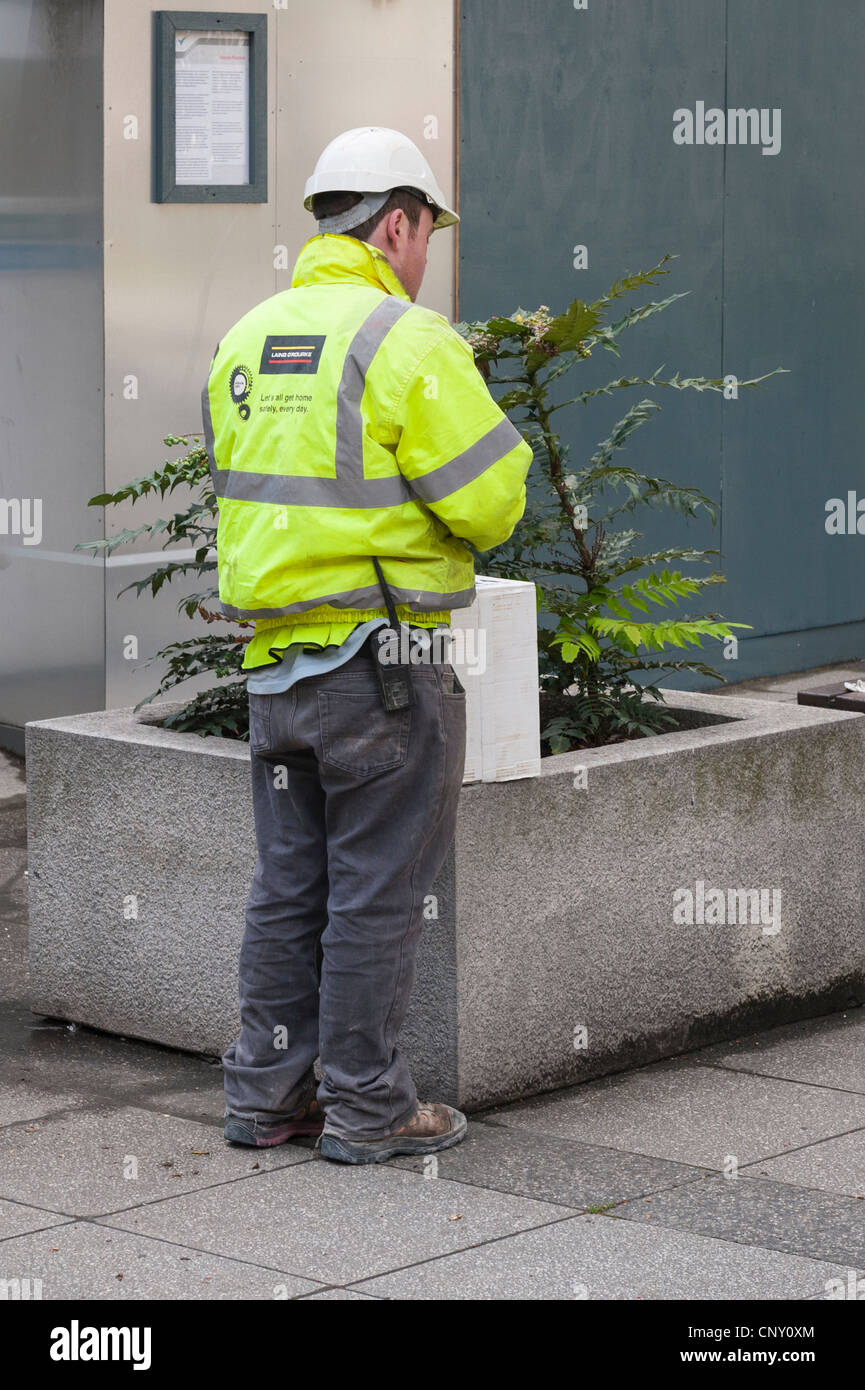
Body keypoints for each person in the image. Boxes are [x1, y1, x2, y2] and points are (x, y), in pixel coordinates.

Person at [201, 126, 532, 1164]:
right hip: (381, 675)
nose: (426, 250)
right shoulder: (405, 339)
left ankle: (265, 1095)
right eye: (426, 229)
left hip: (273, 676)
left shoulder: (245, 338)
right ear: (396, 222)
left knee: (289, 888)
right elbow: (491, 501)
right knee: (377, 890)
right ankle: (367, 1105)